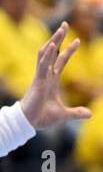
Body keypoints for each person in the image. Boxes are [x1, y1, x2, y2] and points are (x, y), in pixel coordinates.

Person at [0, 22, 90, 158]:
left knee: (75, 134)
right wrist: (23, 109)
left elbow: (51, 72)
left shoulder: (36, 27)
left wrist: (24, 115)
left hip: (34, 106)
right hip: (13, 98)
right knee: (44, 141)